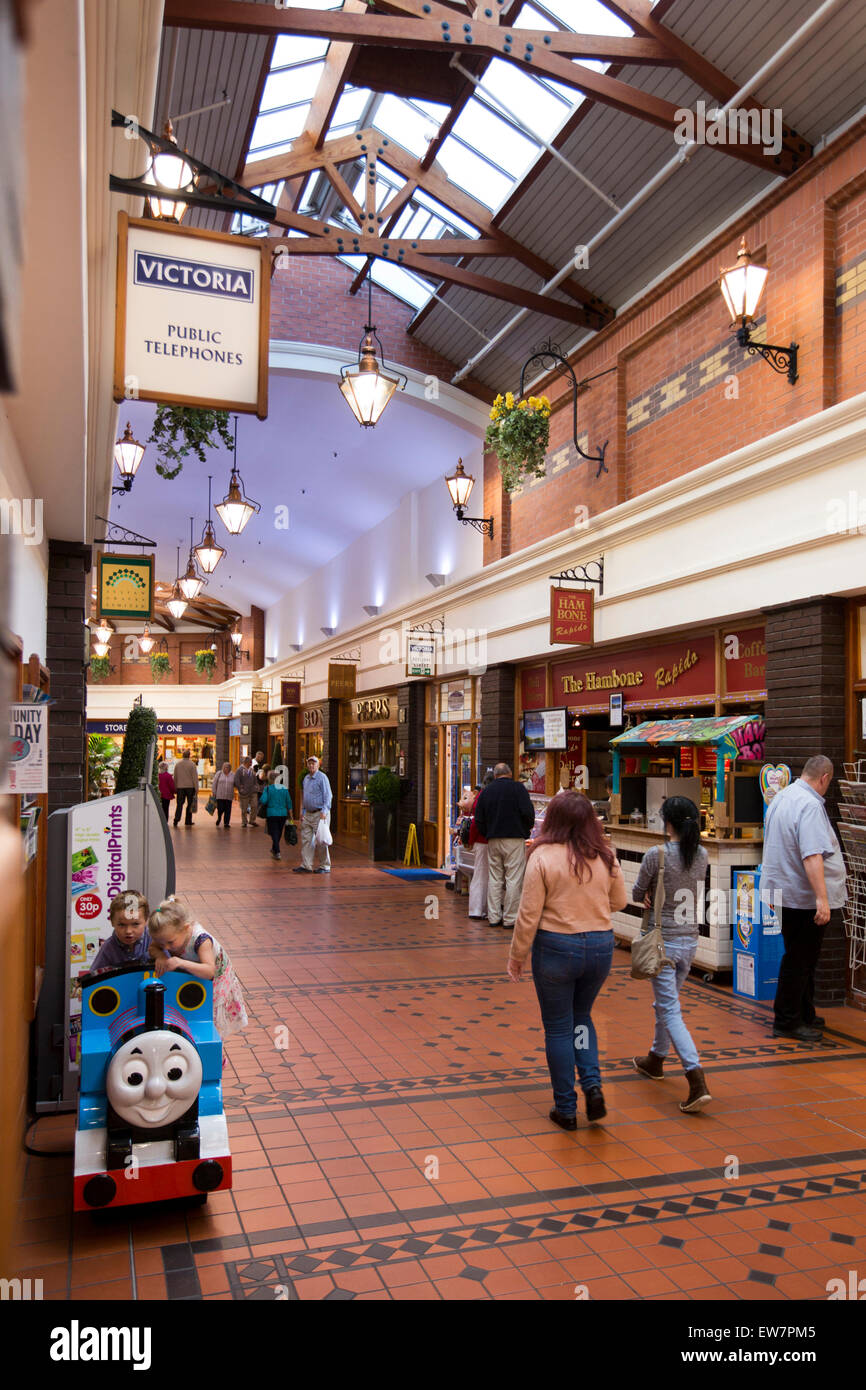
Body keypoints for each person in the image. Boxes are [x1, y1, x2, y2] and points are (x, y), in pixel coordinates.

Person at [508, 791, 627, 1129]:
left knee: (559, 1027)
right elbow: (619, 901)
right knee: (581, 1019)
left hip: (556, 947)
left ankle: (566, 1109)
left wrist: (517, 956)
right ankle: (592, 1084)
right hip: (601, 946)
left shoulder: (542, 855)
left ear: (554, 819)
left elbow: (528, 915)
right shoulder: (605, 855)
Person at [631, 796, 712, 1113]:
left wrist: (650, 893)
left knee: (670, 1010)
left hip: (662, 945)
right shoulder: (702, 854)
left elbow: (637, 893)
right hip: (689, 942)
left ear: (668, 822)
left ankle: (697, 1080)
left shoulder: (656, 854)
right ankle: (655, 1059)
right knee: (667, 1005)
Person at [761, 754, 847, 1042]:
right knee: (799, 960)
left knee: (802, 958)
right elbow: (812, 855)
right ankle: (787, 1020)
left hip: (784, 892)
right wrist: (822, 900)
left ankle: (804, 1012)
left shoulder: (784, 797)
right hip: (802, 896)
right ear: (824, 778)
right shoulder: (809, 805)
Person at [148, 896, 248, 1039]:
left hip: (217, 981)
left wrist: (180, 962)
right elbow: (153, 948)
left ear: (186, 928)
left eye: (170, 943)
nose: (166, 947)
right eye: (162, 943)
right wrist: (161, 956)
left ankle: (218, 1054)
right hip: (194, 975)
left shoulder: (201, 940)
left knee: (210, 1022)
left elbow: (209, 971)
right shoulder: (168, 935)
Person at [474, 762, 535, 928]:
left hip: (493, 839)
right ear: (510, 774)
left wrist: (488, 832)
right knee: (513, 878)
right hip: (514, 839)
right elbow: (528, 813)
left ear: (495, 775)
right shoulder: (518, 789)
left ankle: (493, 917)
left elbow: (478, 818)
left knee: (495, 878)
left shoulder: (487, 791)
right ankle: (510, 918)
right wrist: (526, 830)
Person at [90, 891, 151, 971]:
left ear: (146, 920)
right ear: (112, 922)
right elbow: (94, 978)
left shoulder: (155, 939)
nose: (128, 931)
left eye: (135, 924)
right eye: (122, 925)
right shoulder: (108, 948)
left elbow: (170, 966)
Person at [294, 755, 333, 874]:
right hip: (308, 814)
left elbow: (328, 795)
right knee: (306, 840)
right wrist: (303, 811)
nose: (311, 765)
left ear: (318, 765)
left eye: (313, 763)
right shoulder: (306, 778)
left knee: (321, 840)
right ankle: (306, 865)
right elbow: (305, 796)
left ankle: (325, 866)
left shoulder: (322, 778)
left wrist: (324, 811)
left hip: (319, 813)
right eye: (309, 763)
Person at [468, 774, 494, 920]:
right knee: (487, 876)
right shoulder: (490, 798)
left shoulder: (481, 798)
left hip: (481, 841)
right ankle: (479, 909)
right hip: (488, 841)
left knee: (480, 875)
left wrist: (471, 841)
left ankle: (478, 908)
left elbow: (475, 823)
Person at [258, 770, 293, 861]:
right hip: (282, 814)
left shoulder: (268, 789)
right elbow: (289, 802)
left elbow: (263, 800)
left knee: (274, 833)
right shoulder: (284, 789)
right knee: (279, 832)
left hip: (271, 814)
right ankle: (274, 849)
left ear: (270, 779)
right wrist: (291, 815)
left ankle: (277, 852)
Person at [172, 748, 198, 827]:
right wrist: (196, 788)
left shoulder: (178, 764)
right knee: (190, 804)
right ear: (189, 756)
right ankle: (188, 820)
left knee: (179, 804)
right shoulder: (192, 764)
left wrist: (175, 786)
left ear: (183, 755)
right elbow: (195, 777)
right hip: (190, 787)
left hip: (180, 787)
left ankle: (176, 819)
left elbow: (175, 776)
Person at [234, 756, 258, 827]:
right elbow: (236, 780)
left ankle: (252, 820)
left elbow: (255, 779)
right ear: (247, 762)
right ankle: (244, 822)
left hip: (253, 792)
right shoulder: (239, 770)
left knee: (254, 806)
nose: (251, 763)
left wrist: (256, 787)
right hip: (244, 793)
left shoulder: (251, 770)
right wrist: (240, 789)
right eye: (250, 762)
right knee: (244, 808)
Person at [212, 761, 235, 827]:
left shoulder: (232, 775)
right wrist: (214, 792)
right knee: (220, 809)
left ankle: (226, 823)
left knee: (228, 810)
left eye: (227, 767)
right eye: (225, 767)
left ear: (230, 768)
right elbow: (214, 783)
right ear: (222, 767)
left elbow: (235, 783)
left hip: (229, 795)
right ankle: (219, 818)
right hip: (220, 795)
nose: (226, 768)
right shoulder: (219, 774)